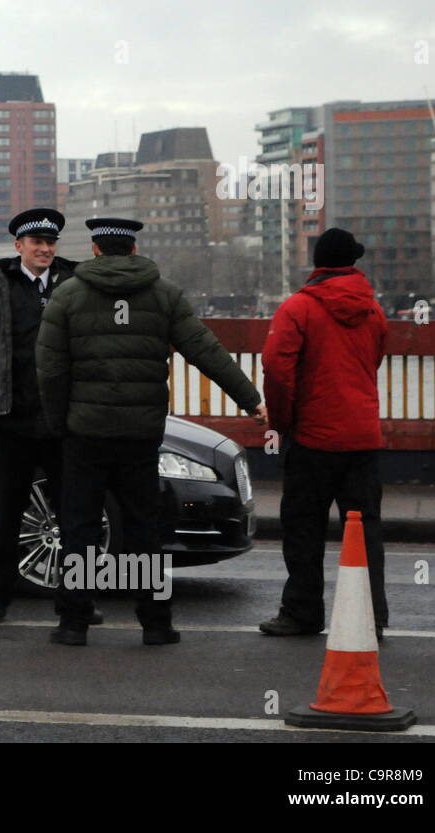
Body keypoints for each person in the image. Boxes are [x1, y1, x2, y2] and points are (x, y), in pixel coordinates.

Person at [36, 217, 267, 646]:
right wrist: (250, 399)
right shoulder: (164, 295)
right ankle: (155, 622)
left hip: (85, 435)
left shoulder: (67, 295)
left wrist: (59, 423)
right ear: (134, 250)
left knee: (80, 528)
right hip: (141, 436)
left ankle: (73, 622)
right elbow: (205, 350)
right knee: (144, 528)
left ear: (96, 249)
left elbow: (50, 370)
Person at [0, 208, 100, 625]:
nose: (45, 249)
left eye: (51, 242)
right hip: (12, 421)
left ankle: (79, 601)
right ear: (18, 246)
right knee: (5, 512)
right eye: (37, 242)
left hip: (62, 424)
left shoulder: (74, 285)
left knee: (74, 514)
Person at [258, 227, 389, 638]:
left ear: (317, 264)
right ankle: (372, 617)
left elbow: (277, 369)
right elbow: (376, 359)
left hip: (313, 438)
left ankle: (302, 612)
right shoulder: (374, 310)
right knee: (365, 528)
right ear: (353, 263)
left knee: (302, 528)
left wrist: (282, 421)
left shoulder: (297, 308)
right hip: (363, 437)